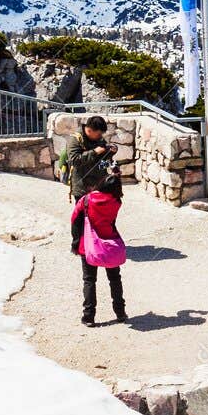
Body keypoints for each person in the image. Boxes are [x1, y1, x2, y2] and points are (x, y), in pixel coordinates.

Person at [72, 173, 127, 326]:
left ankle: (89, 316)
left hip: (88, 244)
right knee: (115, 279)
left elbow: (74, 219)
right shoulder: (116, 202)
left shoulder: (86, 200)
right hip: (110, 244)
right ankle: (120, 312)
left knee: (89, 280)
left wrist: (75, 242)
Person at [62, 115, 117, 200]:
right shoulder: (75, 139)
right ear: (89, 130)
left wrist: (111, 151)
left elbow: (103, 157)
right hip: (82, 186)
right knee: (83, 212)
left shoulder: (98, 138)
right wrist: (94, 152)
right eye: (99, 134)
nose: (100, 136)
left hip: (99, 183)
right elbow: (74, 160)